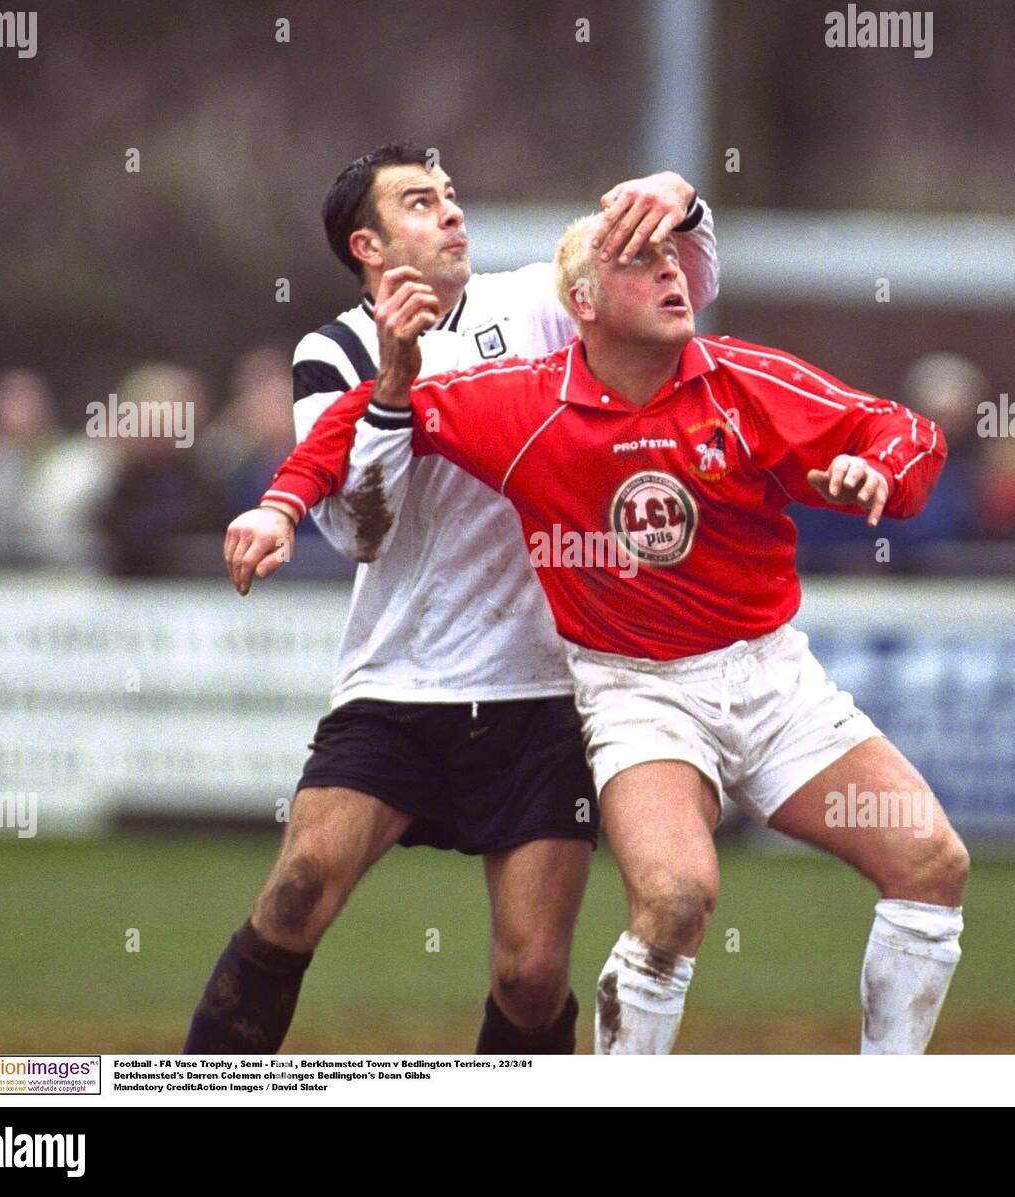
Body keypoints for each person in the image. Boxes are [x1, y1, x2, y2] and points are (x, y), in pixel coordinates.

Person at [249, 212, 968, 1055]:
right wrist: (280, 504)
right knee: (674, 899)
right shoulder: (524, 405)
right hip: (637, 692)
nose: (670, 275)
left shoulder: (743, 379)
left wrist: (879, 469)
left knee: (932, 862)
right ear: (582, 301)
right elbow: (362, 416)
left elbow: (907, 431)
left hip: (771, 678)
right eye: (639, 264)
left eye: (672, 260)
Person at [188, 143, 718, 1054]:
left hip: (541, 688)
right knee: (294, 895)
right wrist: (393, 385)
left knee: (530, 974)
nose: (453, 212)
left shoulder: (540, 304)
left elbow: (679, 278)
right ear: (368, 244)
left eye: (451, 196)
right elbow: (361, 533)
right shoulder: (336, 350)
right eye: (421, 202)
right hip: (398, 681)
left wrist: (685, 204)